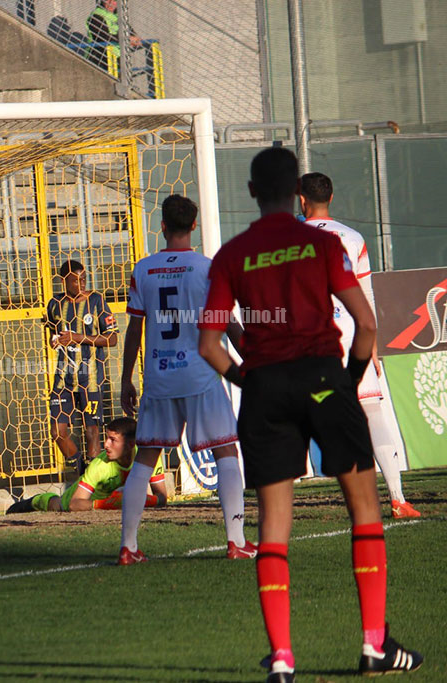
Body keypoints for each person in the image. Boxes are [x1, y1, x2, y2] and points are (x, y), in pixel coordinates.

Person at [198, 147, 422, 681]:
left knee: (274, 526)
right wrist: (347, 379)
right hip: (325, 377)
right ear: (295, 189)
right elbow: (365, 324)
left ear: (252, 192)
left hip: (266, 387)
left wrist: (248, 379)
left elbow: (210, 344)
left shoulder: (232, 254)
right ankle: (374, 645)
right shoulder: (321, 243)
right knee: (364, 511)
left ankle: (281, 657)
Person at [118, 195, 256, 566]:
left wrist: (126, 379)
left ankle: (128, 546)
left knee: (145, 460)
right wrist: (255, 362)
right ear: (194, 226)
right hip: (200, 375)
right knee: (226, 451)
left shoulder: (143, 269)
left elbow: (135, 328)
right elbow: (228, 323)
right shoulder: (207, 268)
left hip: (159, 377)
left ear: (162, 226)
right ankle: (236, 540)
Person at [299, 172, 420, 519]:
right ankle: (397, 499)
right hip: (353, 339)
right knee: (372, 414)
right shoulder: (353, 238)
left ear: (302, 200)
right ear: (332, 198)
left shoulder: (290, 240)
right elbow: (366, 294)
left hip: (312, 343)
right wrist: (375, 346)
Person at [46, 259, 119, 475]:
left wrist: (80, 337)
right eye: (75, 280)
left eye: (83, 279)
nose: (81, 284)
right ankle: (81, 470)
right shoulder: (54, 304)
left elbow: (112, 339)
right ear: (64, 281)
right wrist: (54, 340)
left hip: (91, 378)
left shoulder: (96, 301)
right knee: (58, 432)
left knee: (92, 431)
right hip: (64, 378)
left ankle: (92, 480)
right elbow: (54, 332)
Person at [6, 416, 166, 514]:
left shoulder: (149, 457)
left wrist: (139, 500)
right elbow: (74, 503)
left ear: (131, 444)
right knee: (57, 504)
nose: (106, 445)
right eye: (106, 438)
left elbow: (162, 498)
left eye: (113, 440)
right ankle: (30, 502)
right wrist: (106, 504)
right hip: (74, 502)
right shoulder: (99, 465)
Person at [85, 0, 141, 75]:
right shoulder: (96, 16)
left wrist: (135, 39)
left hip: (118, 57)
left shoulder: (118, 17)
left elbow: (133, 34)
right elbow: (105, 37)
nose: (111, 3)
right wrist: (127, 39)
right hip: (99, 58)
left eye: (114, 0)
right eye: (107, 0)